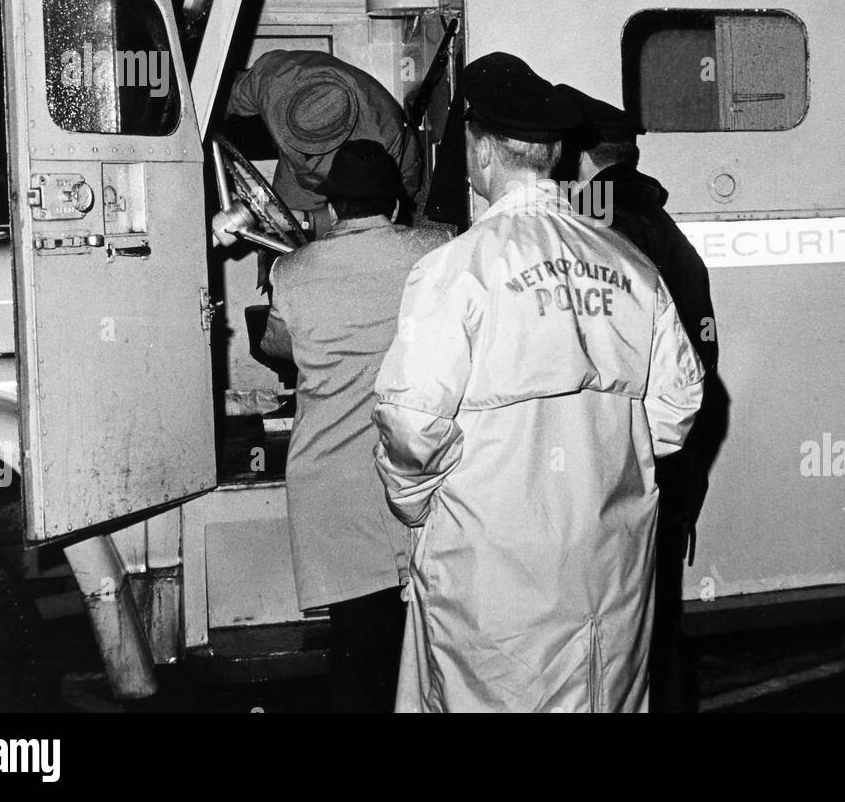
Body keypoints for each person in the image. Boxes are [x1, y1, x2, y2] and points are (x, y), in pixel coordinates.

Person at [372, 51, 706, 713]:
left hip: (495, 571)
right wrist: (604, 462)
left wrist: (416, 504)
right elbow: (678, 404)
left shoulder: (455, 271)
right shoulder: (628, 263)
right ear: (552, 156)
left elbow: (411, 423)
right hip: (608, 564)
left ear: (481, 150)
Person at [259, 139, 450, 712]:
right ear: (394, 205)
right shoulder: (437, 248)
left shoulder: (291, 270)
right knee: (426, 641)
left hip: (334, 482)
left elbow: (277, 345)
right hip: (421, 468)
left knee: (356, 647)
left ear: (335, 207)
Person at [562, 85, 723, 712]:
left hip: (625, 471)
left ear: (580, 159)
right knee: (658, 629)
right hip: (670, 461)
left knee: (620, 641)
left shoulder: (603, 233)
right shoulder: (662, 228)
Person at [227, 49, 422, 229]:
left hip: (374, 178)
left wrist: (303, 221)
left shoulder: (380, 137)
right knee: (277, 230)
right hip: (297, 170)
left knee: (358, 245)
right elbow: (219, 103)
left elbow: (365, 217)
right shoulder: (272, 76)